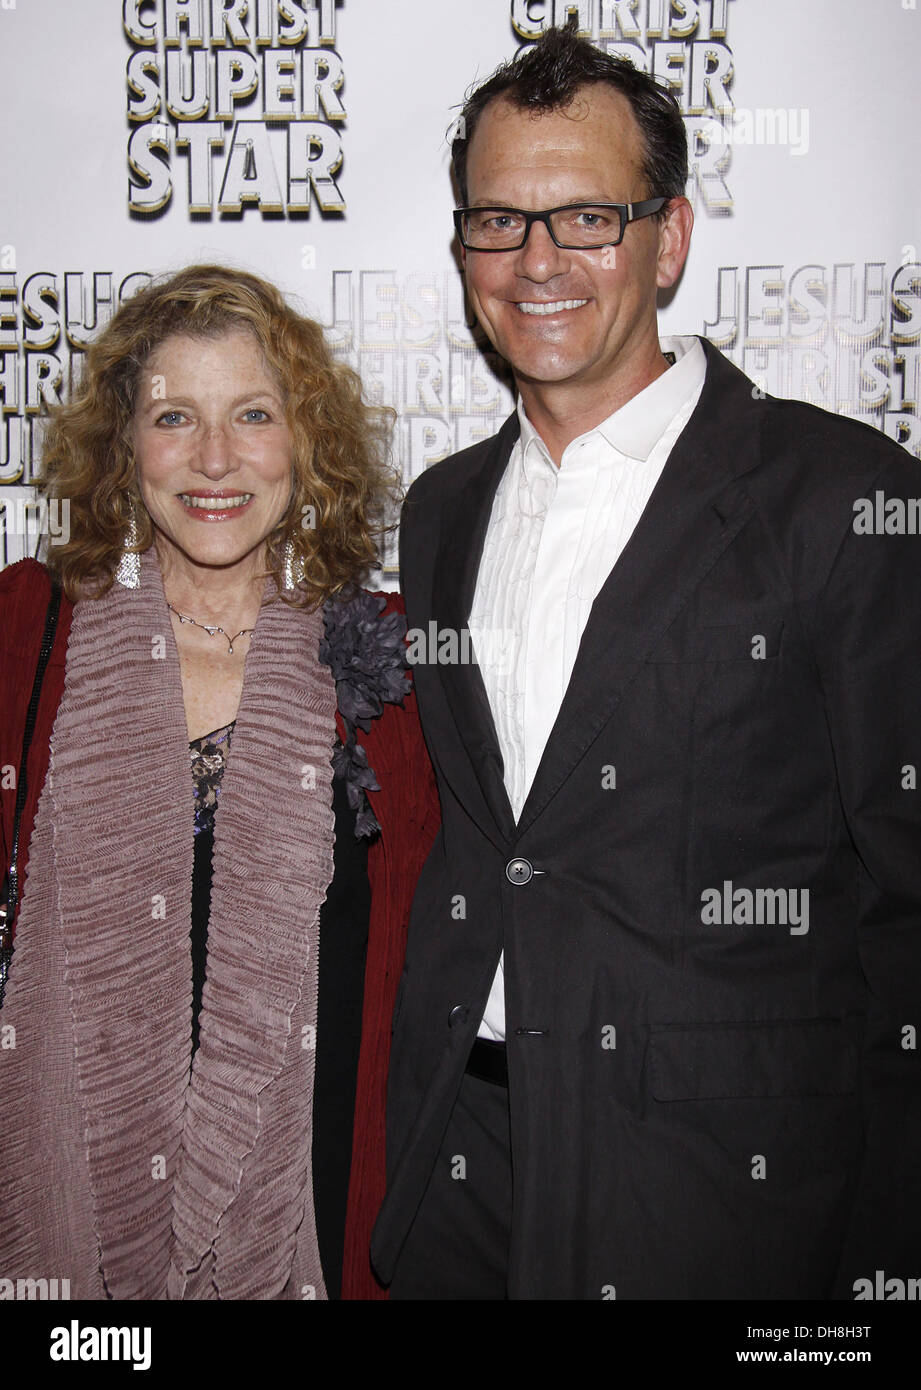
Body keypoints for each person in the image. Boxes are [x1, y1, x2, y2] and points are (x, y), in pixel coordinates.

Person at [371, 25, 921, 1299]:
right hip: (464, 1173)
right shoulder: (441, 511)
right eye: (498, 221)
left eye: (586, 217)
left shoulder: (843, 500)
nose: (538, 261)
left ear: (670, 239)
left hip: (728, 1198)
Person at [0, 263, 439, 1300]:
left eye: (252, 413)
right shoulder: (26, 631)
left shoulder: (391, 664)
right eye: (172, 417)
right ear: (123, 447)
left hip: (321, 1215)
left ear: (307, 441)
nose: (212, 458)